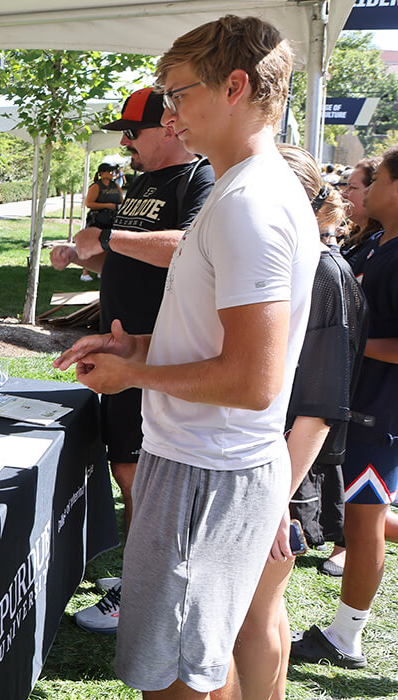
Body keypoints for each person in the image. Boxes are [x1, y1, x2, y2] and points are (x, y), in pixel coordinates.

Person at [54, 16, 320, 698]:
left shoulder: (249, 203)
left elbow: (254, 380)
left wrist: (134, 373)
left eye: (176, 94)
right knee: (200, 666)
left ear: (235, 86)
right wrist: (138, 345)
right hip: (208, 468)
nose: (168, 115)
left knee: (174, 681)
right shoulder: (247, 192)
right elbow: (227, 346)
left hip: (207, 473)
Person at [51, 85, 215, 635]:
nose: (125, 141)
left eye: (132, 131)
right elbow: (123, 259)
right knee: (127, 467)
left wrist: (107, 236)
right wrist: (85, 256)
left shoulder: (200, 179)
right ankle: (142, 577)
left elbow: (186, 249)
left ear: (169, 127)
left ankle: (149, 589)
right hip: (123, 344)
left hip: (161, 351)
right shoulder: (141, 180)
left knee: (145, 472)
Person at [231, 143, 365, 700]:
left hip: (285, 473)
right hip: (273, 466)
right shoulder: (299, 263)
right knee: (260, 612)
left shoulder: (323, 274)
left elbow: (318, 413)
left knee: (253, 616)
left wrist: (274, 499)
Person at [291, 146, 398, 671]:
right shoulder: (377, 243)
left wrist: (346, 342)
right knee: (357, 515)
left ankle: (345, 637)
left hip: (381, 416)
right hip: (353, 407)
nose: (360, 192)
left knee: (365, 524)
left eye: (370, 182)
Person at [84, 162, 123, 230]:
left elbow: (121, 201)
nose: (112, 173)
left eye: (113, 171)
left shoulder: (116, 186)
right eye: (109, 171)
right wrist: (107, 205)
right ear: (102, 173)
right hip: (98, 222)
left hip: (114, 221)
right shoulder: (96, 186)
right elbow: (89, 204)